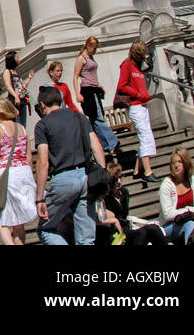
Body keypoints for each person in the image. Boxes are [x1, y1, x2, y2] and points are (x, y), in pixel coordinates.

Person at [34, 85, 105, 246]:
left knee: (45, 228)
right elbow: (97, 147)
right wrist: (102, 177)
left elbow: (43, 162)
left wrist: (39, 198)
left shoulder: (42, 125)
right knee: (86, 239)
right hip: (86, 177)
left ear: (43, 105)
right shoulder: (80, 117)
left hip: (62, 179)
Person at [0, 96, 35, 244]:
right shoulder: (21, 128)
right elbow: (28, 157)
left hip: (6, 175)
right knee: (19, 221)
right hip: (24, 173)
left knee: (1, 220)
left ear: (1, 111)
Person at [94, 163, 167, 246]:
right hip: (113, 235)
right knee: (141, 233)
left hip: (126, 230)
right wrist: (114, 220)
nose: (119, 181)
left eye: (120, 177)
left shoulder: (124, 192)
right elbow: (99, 217)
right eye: (115, 179)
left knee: (154, 228)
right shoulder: (105, 197)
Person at [72, 36, 119, 155]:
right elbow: (75, 76)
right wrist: (77, 93)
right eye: (93, 48)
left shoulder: (90, 58)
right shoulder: (81, 59)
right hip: (87, 90)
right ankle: (112, 141)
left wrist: (99, 85)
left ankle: (104, 144)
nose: (94, 50)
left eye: (95, 48)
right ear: (88, 45)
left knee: (96, 118)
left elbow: (92, 75)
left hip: (94, 89)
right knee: (97, 117)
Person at [116, 41, 155, 183]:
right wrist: (138, 94)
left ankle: (137, 170)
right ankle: (148, 172)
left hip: (142, 105)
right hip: (134, 105)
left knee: (147, 134)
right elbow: (122, 86)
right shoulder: (127, 65)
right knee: (145, 135)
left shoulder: (137, 67)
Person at [157, 147, 194, 244]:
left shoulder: (192, 180)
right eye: (173, 163)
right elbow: (168, 215)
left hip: (190, 218)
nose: (176, 165)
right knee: (191, 224)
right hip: (169, 225)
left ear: (186, 163)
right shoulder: (166, 185)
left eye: (179, 162)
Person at [1, 52, 30, 128]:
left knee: (23, 125)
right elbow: (8, 86)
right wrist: (15, 96)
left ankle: (22, 137)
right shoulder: (7, 71)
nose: (19, 59)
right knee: (17, 124)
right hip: (15, 101)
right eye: (17, 57)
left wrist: (29, 78)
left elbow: (21, 86)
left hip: (22, 100)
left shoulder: (16, 72)